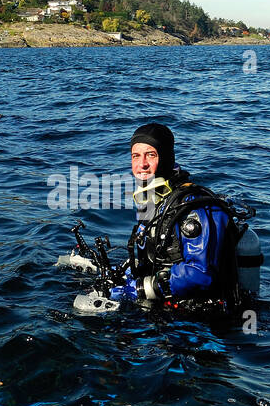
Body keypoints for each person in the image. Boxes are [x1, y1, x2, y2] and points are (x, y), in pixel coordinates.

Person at [108, 122, 256, 310]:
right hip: (169, 304)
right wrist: (129, 272)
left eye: (151, 155)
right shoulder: (154, 200)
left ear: (166, 157)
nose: (142, 164)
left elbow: (200, 273)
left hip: (203, 317)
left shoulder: (193, 207)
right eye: (135, 156)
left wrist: (140, 289)